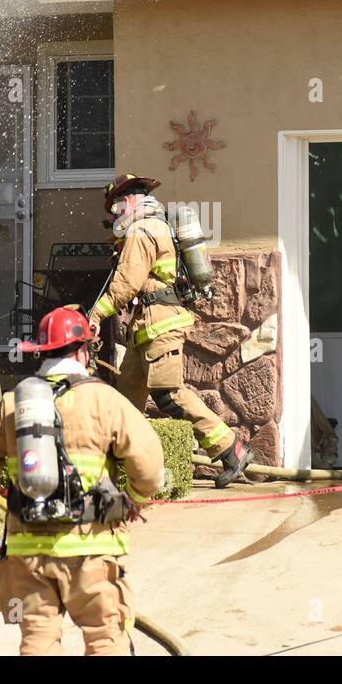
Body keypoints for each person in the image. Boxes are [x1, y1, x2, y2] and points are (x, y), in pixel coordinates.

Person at [0, 306, 164, 655]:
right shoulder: (104, 400)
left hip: (28, 555)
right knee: (105, 640)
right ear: (83, 351)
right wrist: (132, 499)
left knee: (38, 643)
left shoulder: (12, 404)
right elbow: (150, 467)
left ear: (41, 353)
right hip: (90, 550)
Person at [89, 174, 253, 487]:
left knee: (169, 396)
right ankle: (117, 469)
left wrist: (95, 315)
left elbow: (126, 284)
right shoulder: (152, 225)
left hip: (159, 326)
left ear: (131, 201)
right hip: (145, 329)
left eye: (117, 207)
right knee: (127, 401)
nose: (114, 216)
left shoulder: (143, 229)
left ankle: (232, 449)